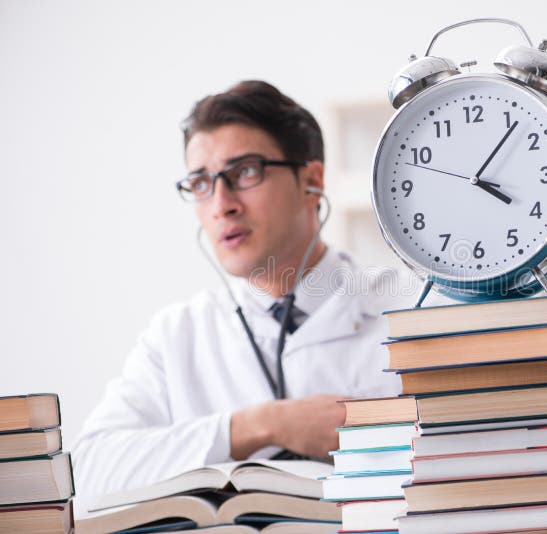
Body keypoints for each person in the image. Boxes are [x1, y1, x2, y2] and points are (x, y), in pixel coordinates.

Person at [72, 80, 409, 501]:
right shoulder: (177, 335)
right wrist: (261, 425)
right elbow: (90, 469)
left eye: (245, 172)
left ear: (311, 181)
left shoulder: (409, 311)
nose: (221, 204)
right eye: (200, 182)